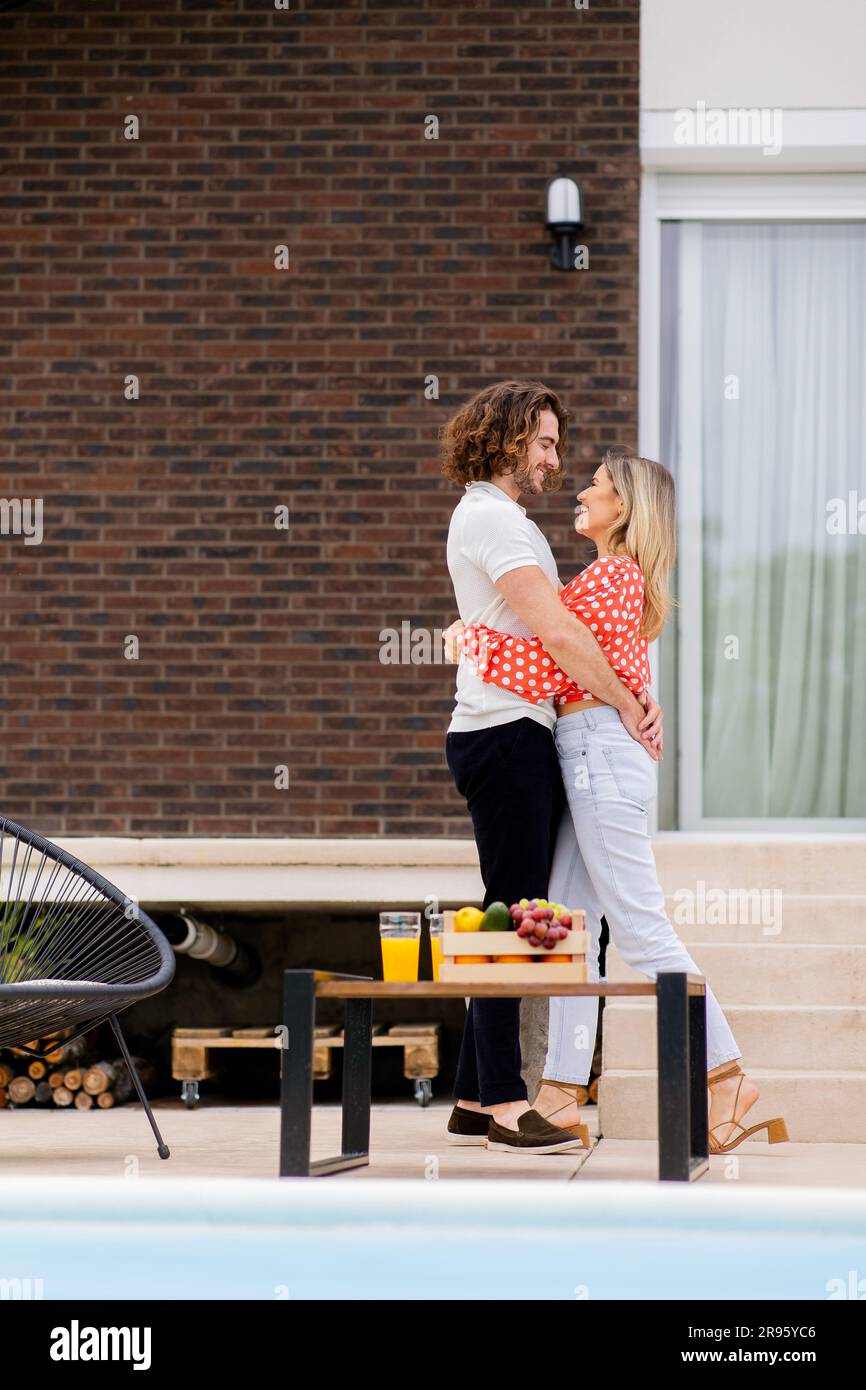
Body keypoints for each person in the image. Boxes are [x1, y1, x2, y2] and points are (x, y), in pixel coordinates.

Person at [456, 448, 790, 1155]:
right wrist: (637, 698)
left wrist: (470, 639)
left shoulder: (611, 574)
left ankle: (726, 1076)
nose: (581, 490)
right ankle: (561, 1094)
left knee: (639, 926)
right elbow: (593, 662)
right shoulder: (614, 577)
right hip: (595, 752)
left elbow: (550, 649)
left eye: (598, 487)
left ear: (625, 508)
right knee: (574, 929)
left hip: (599, 756)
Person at [441, 383, 662, 1156]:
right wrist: (631, 703)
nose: (554, 459)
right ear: (504, 440)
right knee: (507, 915)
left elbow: (529, 630)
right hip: (505, 734)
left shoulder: (502, 520)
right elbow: (559, 633)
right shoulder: (494, 518)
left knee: (508, 905)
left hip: (509, 730)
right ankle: (505, 1103)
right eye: (543, 442)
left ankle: (474, 1096)